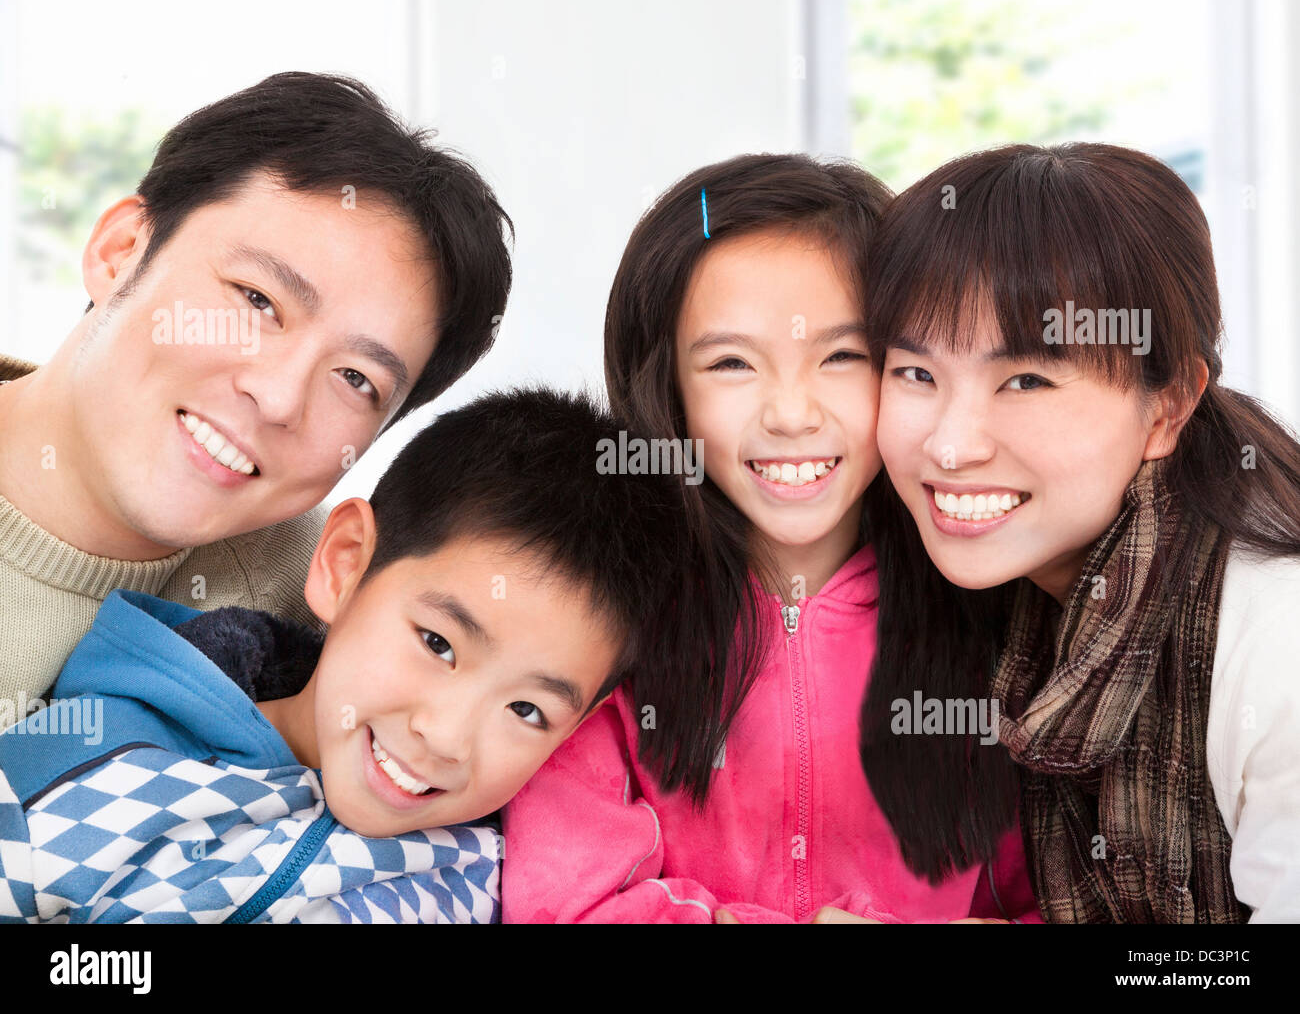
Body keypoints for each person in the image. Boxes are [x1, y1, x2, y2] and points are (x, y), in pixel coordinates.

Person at [502, 154, 1038, 923]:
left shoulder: (1000, 615)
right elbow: (563, 904)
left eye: (842, 355)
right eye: (730, 362)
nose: (791, 413)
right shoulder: (600, 618)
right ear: (670, 392)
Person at [0, 388, 690, 922]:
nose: (446, 736)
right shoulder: (93, 762)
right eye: (438, 643)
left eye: (526, 709)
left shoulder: (501, 874)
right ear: (343, 564)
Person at [862, 142, 1300, 922]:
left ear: (1166, 406)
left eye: (1026, 380)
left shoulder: (1273, 636)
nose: (951, 446)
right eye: (916, 373)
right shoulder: (1011, 593)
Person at [0, 72, 513, 725]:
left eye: (357, 379)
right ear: (120, 251)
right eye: (258, 300)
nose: (277, 397)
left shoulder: (332, 608)